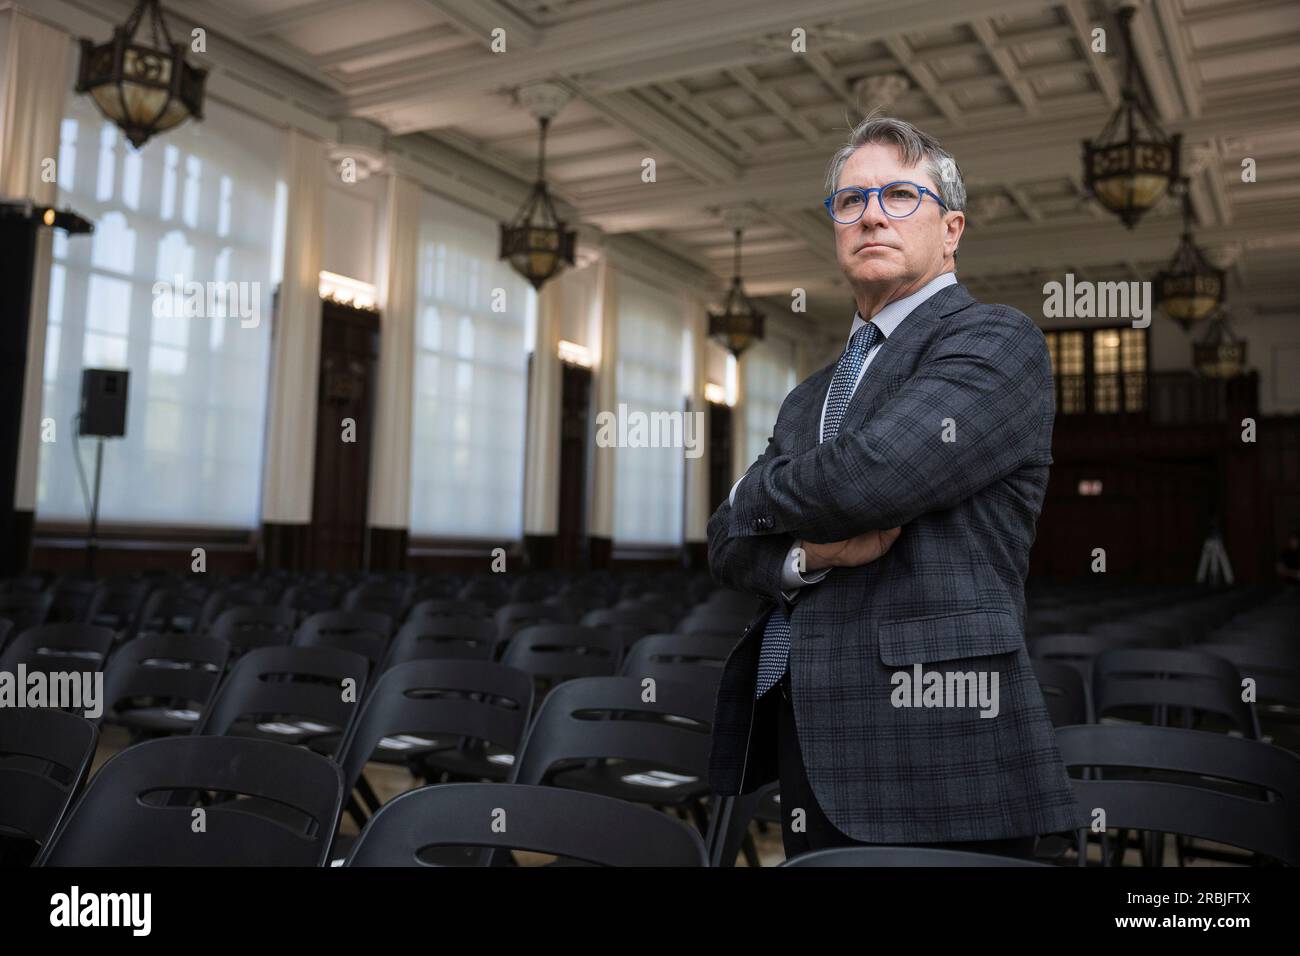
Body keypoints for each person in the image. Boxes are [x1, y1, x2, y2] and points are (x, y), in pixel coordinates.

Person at [706, 115, 1085, 862]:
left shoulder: (995, 341)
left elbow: (871, 478)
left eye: (901, 195)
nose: (871, 213)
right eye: (850, 201)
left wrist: (755, 492)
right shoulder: (808, 394)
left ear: (952, 230)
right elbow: (724, 541)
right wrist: (807, 556)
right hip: (808, 733)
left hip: (940, 750)